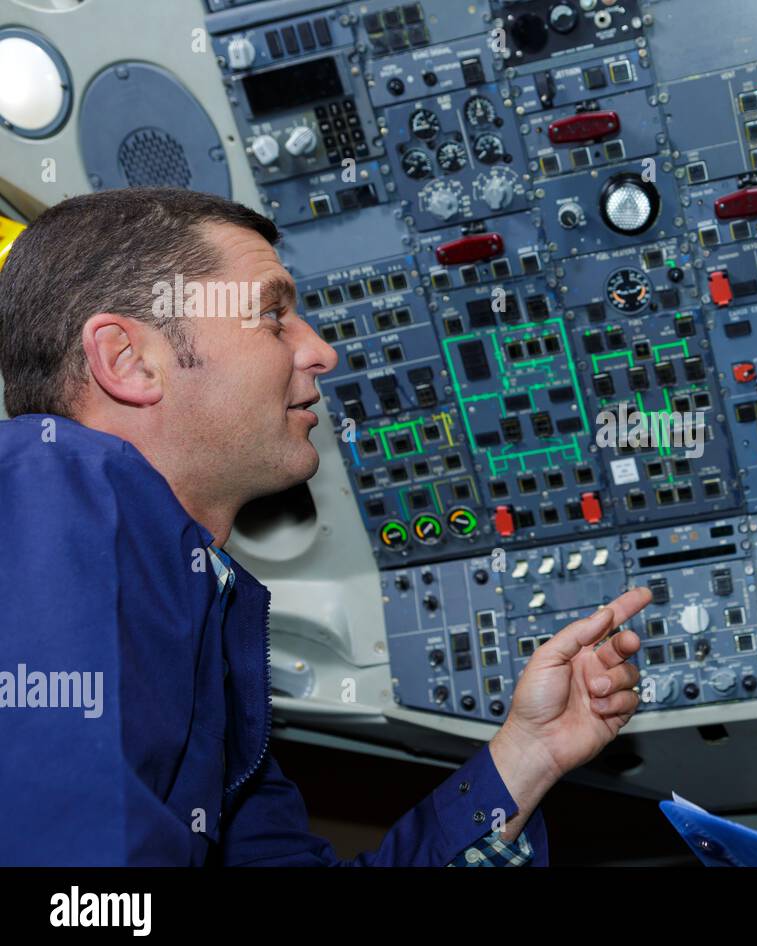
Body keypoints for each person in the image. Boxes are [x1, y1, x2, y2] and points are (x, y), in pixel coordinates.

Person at [0, 187, 650, 865]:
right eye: (273, 316)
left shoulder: (204, 624)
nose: (320, 351)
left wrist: (529, 754)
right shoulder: (44, 483)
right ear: (130, 361)